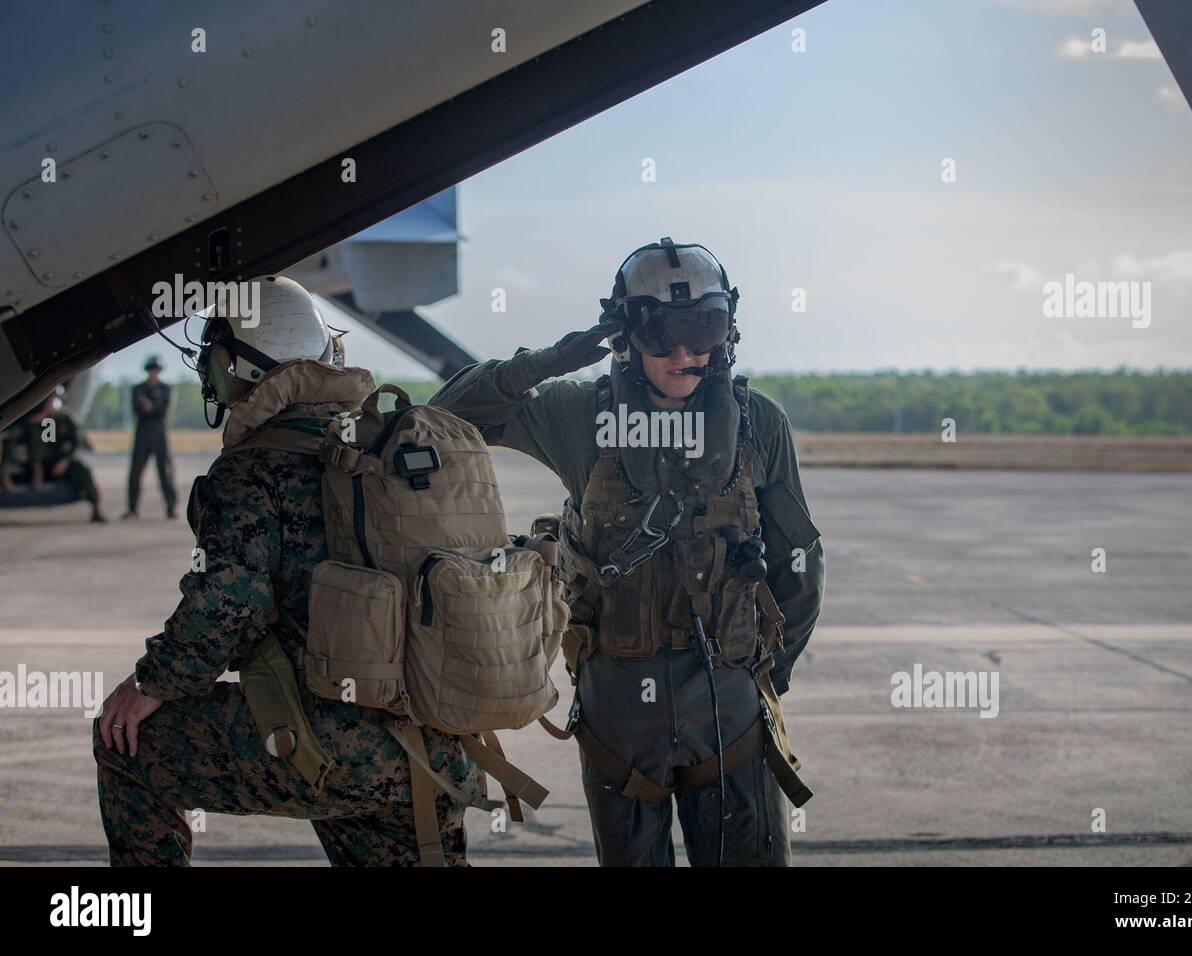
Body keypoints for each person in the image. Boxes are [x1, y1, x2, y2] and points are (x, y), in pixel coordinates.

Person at [432, 238, 825, 866]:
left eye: (703, 329)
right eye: (659, 331)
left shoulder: (757, 423)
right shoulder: (582, 415)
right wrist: (550, 360)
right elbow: (448, 415)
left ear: (727, 330)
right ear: (623, 331)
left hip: (729, 704)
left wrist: (768, 672)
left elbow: (798, 559)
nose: (682, 353)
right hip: (617, 711)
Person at [93, 275, 481, 866]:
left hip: (333, 749)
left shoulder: (252, 469)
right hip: (434, 747)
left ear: (234, 368)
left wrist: (151, 684)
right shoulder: (380, 450)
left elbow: (228, 604)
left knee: (126, 744)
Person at [13, 390, 106, 523]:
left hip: (59, 463)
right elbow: (31, 446)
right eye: (48, 400)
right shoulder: (34, 421)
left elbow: (75, 443)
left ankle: (96, 509)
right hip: (36, 465)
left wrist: (65, 461)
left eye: (53, 400)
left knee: (82, 470)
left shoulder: (65, 419)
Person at [122, 354, 178, 519]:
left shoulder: (165, 389)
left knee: (165, 472)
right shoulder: (138, 388)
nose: (153, 372)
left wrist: (149, 406)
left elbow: (163, 411)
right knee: (135, 471)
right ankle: (132, 508)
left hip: (159, 434)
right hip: (142, 433)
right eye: (151, 369)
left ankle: (170, 508)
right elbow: (137, 410)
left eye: (156, 370)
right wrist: (150, 407)